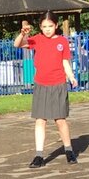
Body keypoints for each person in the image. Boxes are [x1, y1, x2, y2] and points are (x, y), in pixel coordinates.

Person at [14, 12, 79, 168]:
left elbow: (65, 62)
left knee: (60, 120)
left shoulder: (62, 41)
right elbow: (17, 44)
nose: (47, 29)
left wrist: (71, 77)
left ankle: (69, 151)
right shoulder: (37, 39)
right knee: (40, 120)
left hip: (58, 84)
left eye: (50, 26)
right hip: (41, 84)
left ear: (56, 26)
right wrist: (22, 34)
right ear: (40, 27)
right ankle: (39, 156)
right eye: (44, 26)